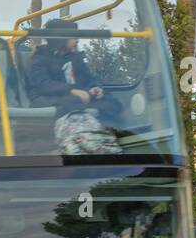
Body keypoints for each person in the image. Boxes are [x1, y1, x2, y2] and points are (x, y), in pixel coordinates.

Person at [26, 18, 125, 154]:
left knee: (110, 102)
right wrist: (72, 91)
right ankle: (80, 143)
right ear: (60, 39)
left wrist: (95, 87)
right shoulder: (39, 59)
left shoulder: (74, 58)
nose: (77, 40)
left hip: (77, 95)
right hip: (48, 98)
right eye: (73, 37)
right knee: (73, 103)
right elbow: (44, 85)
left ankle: (114, 138)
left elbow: (88, 77)